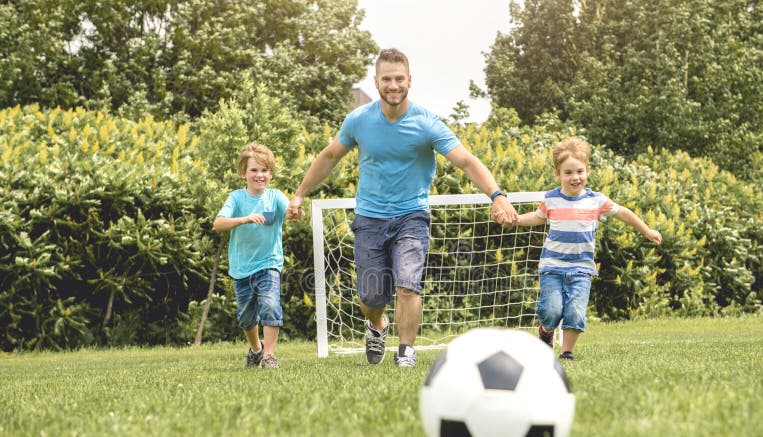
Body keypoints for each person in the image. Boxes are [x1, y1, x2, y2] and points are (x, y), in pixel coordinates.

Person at [286, 48, 518, 367]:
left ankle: (406, 350)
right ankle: (377, 325)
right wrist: (299, 194)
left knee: (408, 283)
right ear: (376, 81)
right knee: (371, 297)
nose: (393, 85)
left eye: (399, 78)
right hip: (369, 218)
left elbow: (466, 161)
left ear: (409, 80)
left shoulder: (427, 123)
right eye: (386, 79)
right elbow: (329, 157)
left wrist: (498, 195)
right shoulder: (359, 121)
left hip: (412, 217)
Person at [514, 136, 662, 360]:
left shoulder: (596, 201)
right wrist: (514, 219)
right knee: (551, 310)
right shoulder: (551, 199)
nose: (575, 177)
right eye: (568, 172)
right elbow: (536, 218)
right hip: (552, 267)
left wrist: (646, 230)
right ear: (558, 174)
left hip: (581, 268)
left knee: (575, 311)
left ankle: (566, 353)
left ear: (588, 171)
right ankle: (546, 332)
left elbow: (623, 213)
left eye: (580, 171)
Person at [213, 142, 290, 369]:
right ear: (243, 173)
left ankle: (269, 355)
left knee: (270, 305)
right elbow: (218, 223)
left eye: (264, 170)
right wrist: (245, 218)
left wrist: (296, 210)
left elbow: (293, 213)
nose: (259, 175)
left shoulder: (276, 197)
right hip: (242, 267)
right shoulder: (236, 198)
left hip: (269, 263)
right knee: (246, 317)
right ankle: (256, 349)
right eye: (254, 170)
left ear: (271, 173)